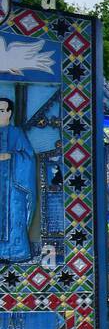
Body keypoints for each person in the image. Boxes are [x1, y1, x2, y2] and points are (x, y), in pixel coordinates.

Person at [0, 96, 37, 264]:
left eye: (1, 111)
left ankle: (14, 252)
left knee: (14, 217)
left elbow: (28, 156)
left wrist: (11, 156)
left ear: (9, 113)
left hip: (13, 186)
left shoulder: (16, 133)